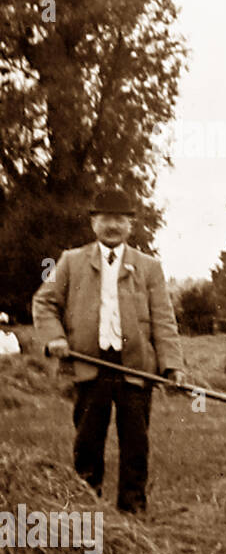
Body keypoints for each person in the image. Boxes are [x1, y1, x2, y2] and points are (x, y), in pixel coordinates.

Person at [31, 187, 185, 514]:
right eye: (105, 219)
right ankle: (86, 510)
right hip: (89, 366)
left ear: (131, 225)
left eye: (120, 219)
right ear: (93, 223)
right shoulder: (71, 261)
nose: (112, 226)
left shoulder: (149, 267)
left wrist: (172, 365)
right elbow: (43, 303)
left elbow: (163, 319)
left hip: (136, 369)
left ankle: (133, 511)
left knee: (135, 445)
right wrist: (55, 338)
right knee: (87, 442)